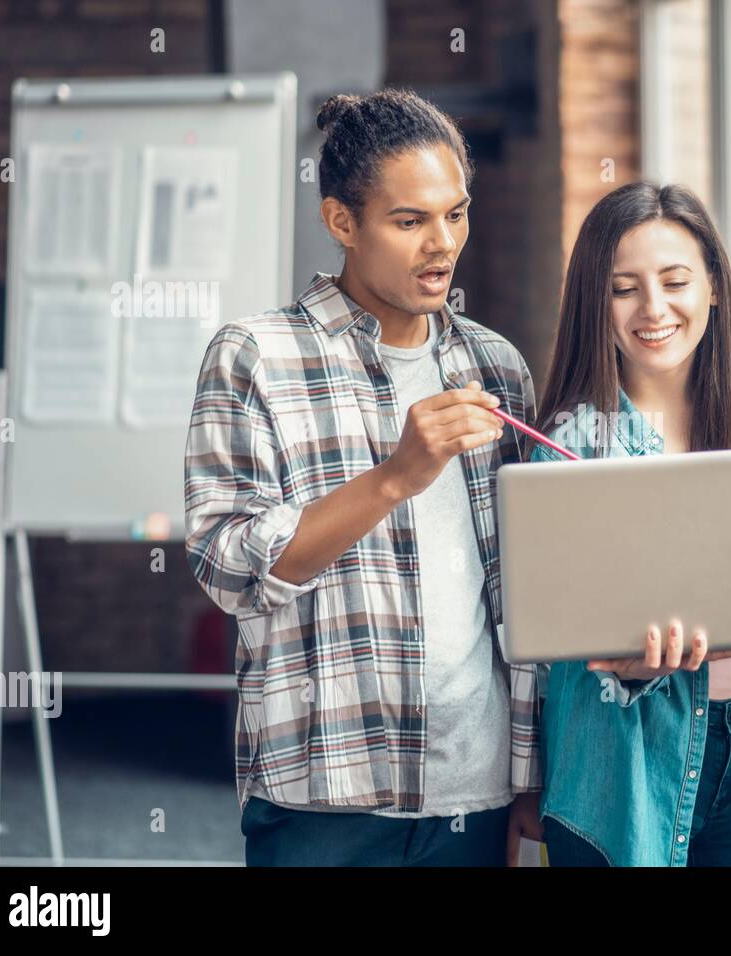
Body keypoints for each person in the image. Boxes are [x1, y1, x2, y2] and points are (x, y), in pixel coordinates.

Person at [184, 88, 544, 866]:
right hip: (325, 794)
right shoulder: (254, 357)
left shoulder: (497, 367)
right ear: (342, 221)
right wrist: (393, 477)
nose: (441, 245)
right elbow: (227, 568)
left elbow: (521, 587)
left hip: (474, 787)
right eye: (409, 221)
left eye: (456, 213)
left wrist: (529, 774)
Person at [530, 181, 731, 866]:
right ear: (594, 302)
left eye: (675, 281)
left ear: (715, 288)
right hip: (617, 766)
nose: (654, 309)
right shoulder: (568, 438)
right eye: (624, 289)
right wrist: (629, 662)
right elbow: (551, 621)